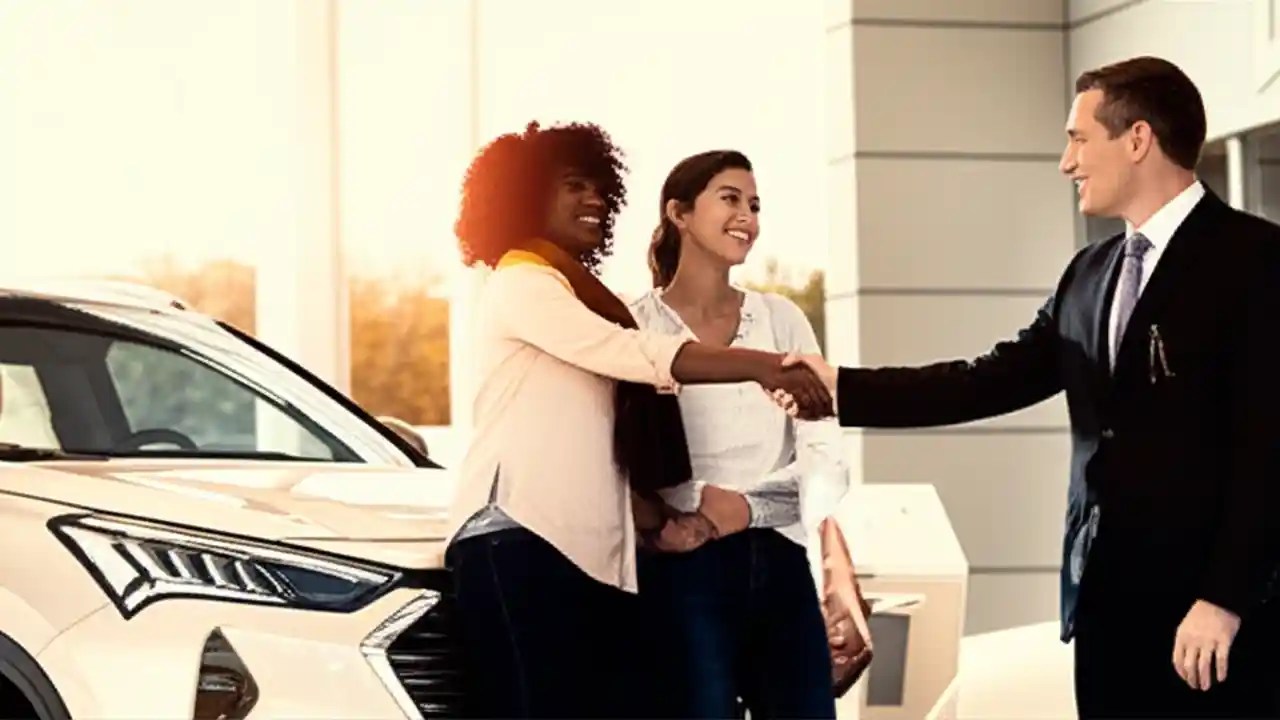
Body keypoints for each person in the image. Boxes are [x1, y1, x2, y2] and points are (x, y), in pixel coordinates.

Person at [782, 56, 1280, 718]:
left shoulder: (1257, 260)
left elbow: (1269, 449)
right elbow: (987, 380)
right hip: (1105, 612)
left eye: (1078, 138)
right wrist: (842, 388)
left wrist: (1224, 599)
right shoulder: (1088, 275)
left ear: (1137, 139)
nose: (1066, 162)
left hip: (1214, 627)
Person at [442, 121, 833, 719]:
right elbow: (635, 356)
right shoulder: (524, 284)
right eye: (574, 185)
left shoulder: (581, 296)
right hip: (516, 538)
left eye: (601, 188)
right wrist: (763, 367)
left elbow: (607, 444)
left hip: (578, 551)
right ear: (523, 194)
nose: (594, 199)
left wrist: (667, 519)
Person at [627, 149, 865, 718]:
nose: (748, 217)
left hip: (780, 562)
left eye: (755, 205)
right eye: (730, 199)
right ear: (679, 213)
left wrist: (744, 510)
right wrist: (696, 508)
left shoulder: (782, 320)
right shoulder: (636, 325)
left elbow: (825, 457)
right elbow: (628, 455)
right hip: (680, 565)